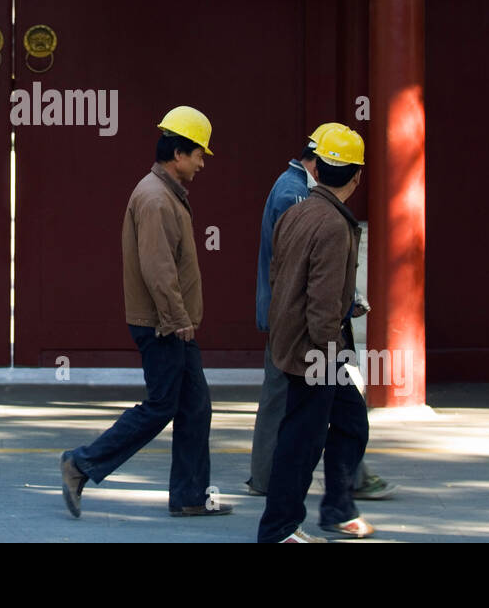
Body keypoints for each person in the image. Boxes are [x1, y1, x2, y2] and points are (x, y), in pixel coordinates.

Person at [61, 106, 232, 519]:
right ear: (177, 153)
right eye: (198, 155)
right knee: (161, 406)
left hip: (172, 323)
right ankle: (80, 464)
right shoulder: (156, 199)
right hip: (164, 326)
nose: (202, 163)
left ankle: (190, 496)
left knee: (196, 408)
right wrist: (177, 321)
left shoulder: (164, 194)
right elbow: (158, 269)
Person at [247, 125, 396, 501]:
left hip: (301, 331)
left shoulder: (296, 193)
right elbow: (311, 282)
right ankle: (280, 494)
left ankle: (335, 496)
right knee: (303, 426)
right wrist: (329, 350)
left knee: (328, 418)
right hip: (309, 338)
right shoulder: (302, 200)